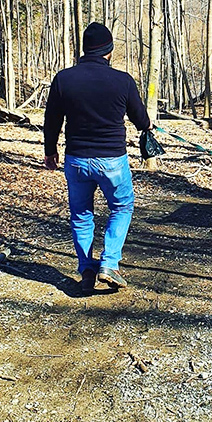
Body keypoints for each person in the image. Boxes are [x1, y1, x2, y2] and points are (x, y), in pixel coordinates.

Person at [43, 22, 151, 293]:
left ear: (84, 49)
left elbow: (51, 120)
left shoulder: (63, 79)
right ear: (109, 51)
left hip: (77, 159)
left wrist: (50, 151)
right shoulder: (122, 80)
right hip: (112, 160)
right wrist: (148, 127)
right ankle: (109, 263)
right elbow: (141, 119)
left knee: (81, 215)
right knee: (122, 207)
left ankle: (87, 269)